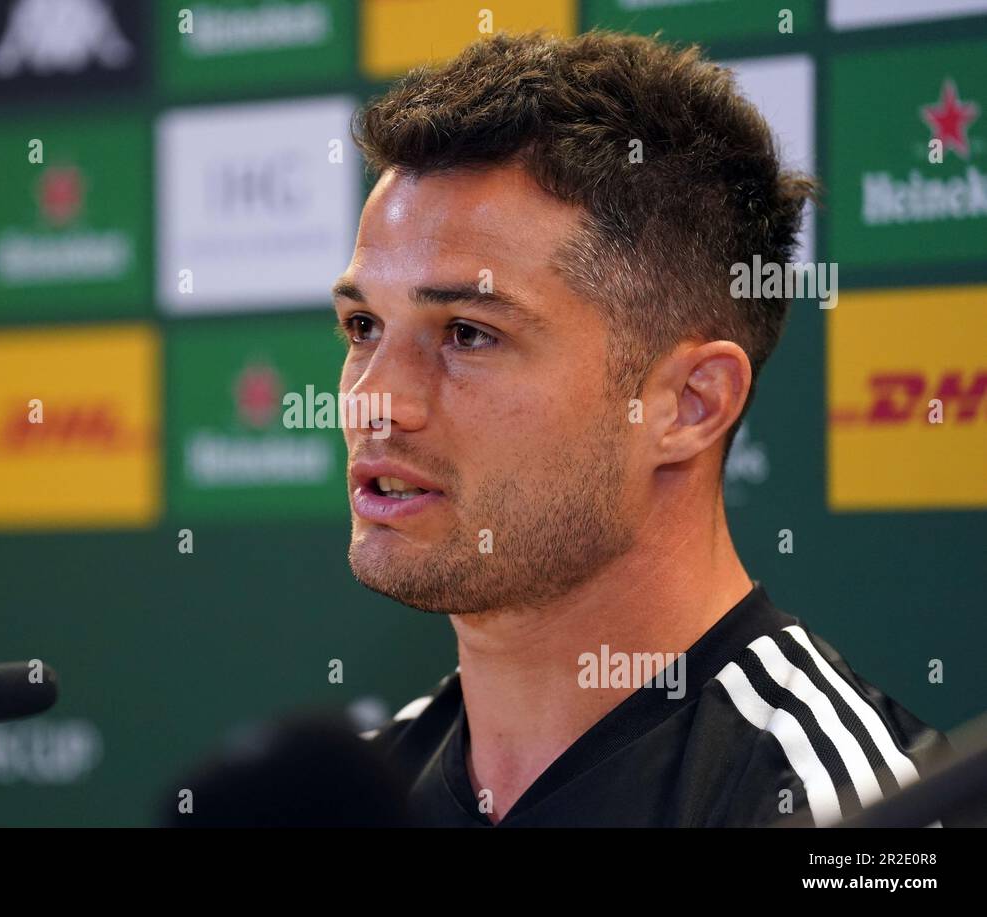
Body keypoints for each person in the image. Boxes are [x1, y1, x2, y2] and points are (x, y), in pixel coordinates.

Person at [334, 30, 952, 827]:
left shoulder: (850, 817)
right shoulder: (359, 793)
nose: (376, 399)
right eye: (361, 326)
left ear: (691, 404)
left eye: (468, 333)